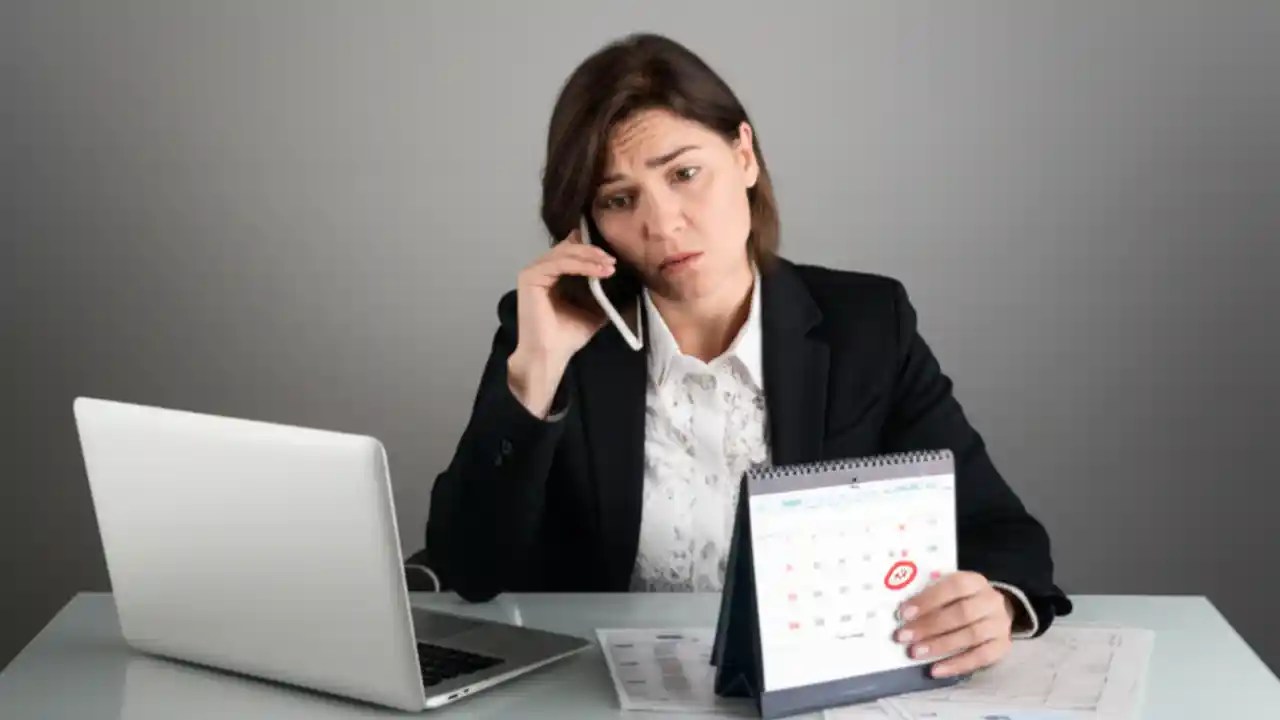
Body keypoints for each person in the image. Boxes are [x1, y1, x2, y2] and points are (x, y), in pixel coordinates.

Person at [419, 32, 1071, 679]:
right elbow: (469, 568)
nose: (663, 222)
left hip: (807, 694)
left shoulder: (867, 325)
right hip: (594, 691)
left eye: (684, 174)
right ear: (587, 222)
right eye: (620, 200)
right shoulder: (550, 333)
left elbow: (1000, 531)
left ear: (744, 155)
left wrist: (1000, 603)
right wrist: (536, 373)